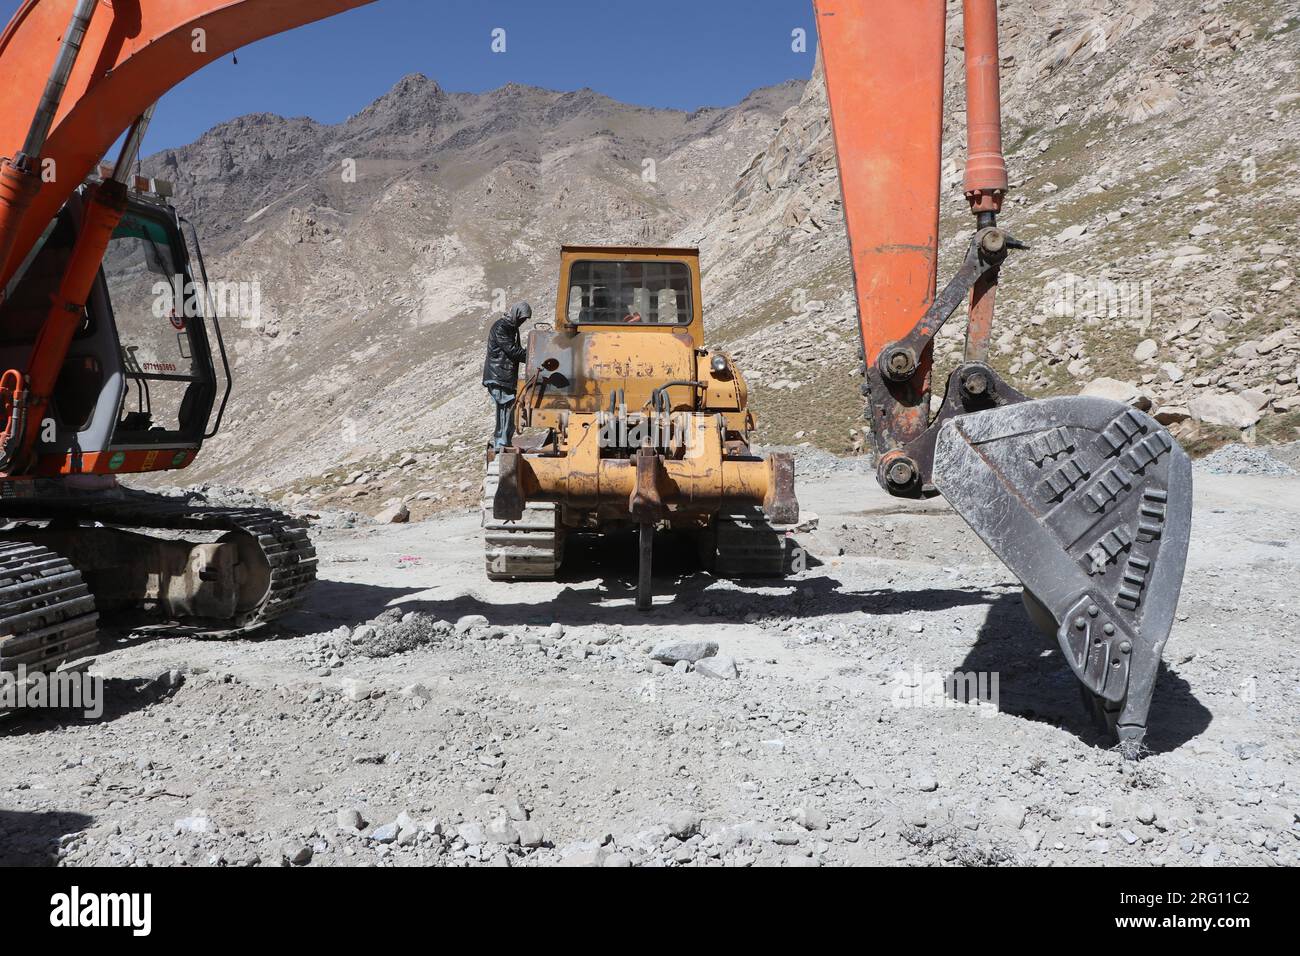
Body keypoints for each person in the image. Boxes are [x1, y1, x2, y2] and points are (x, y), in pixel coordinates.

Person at [482, 301, 532, 450]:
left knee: (508, 410)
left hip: (505, 376)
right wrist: (533, 356)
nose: (522, 322)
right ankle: (501, 443)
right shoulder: (501, 327)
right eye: (522, 318)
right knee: (504, 410)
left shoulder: (511, 328)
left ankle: (505, 441)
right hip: (499, 375)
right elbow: (512, 350)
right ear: (517, 314)